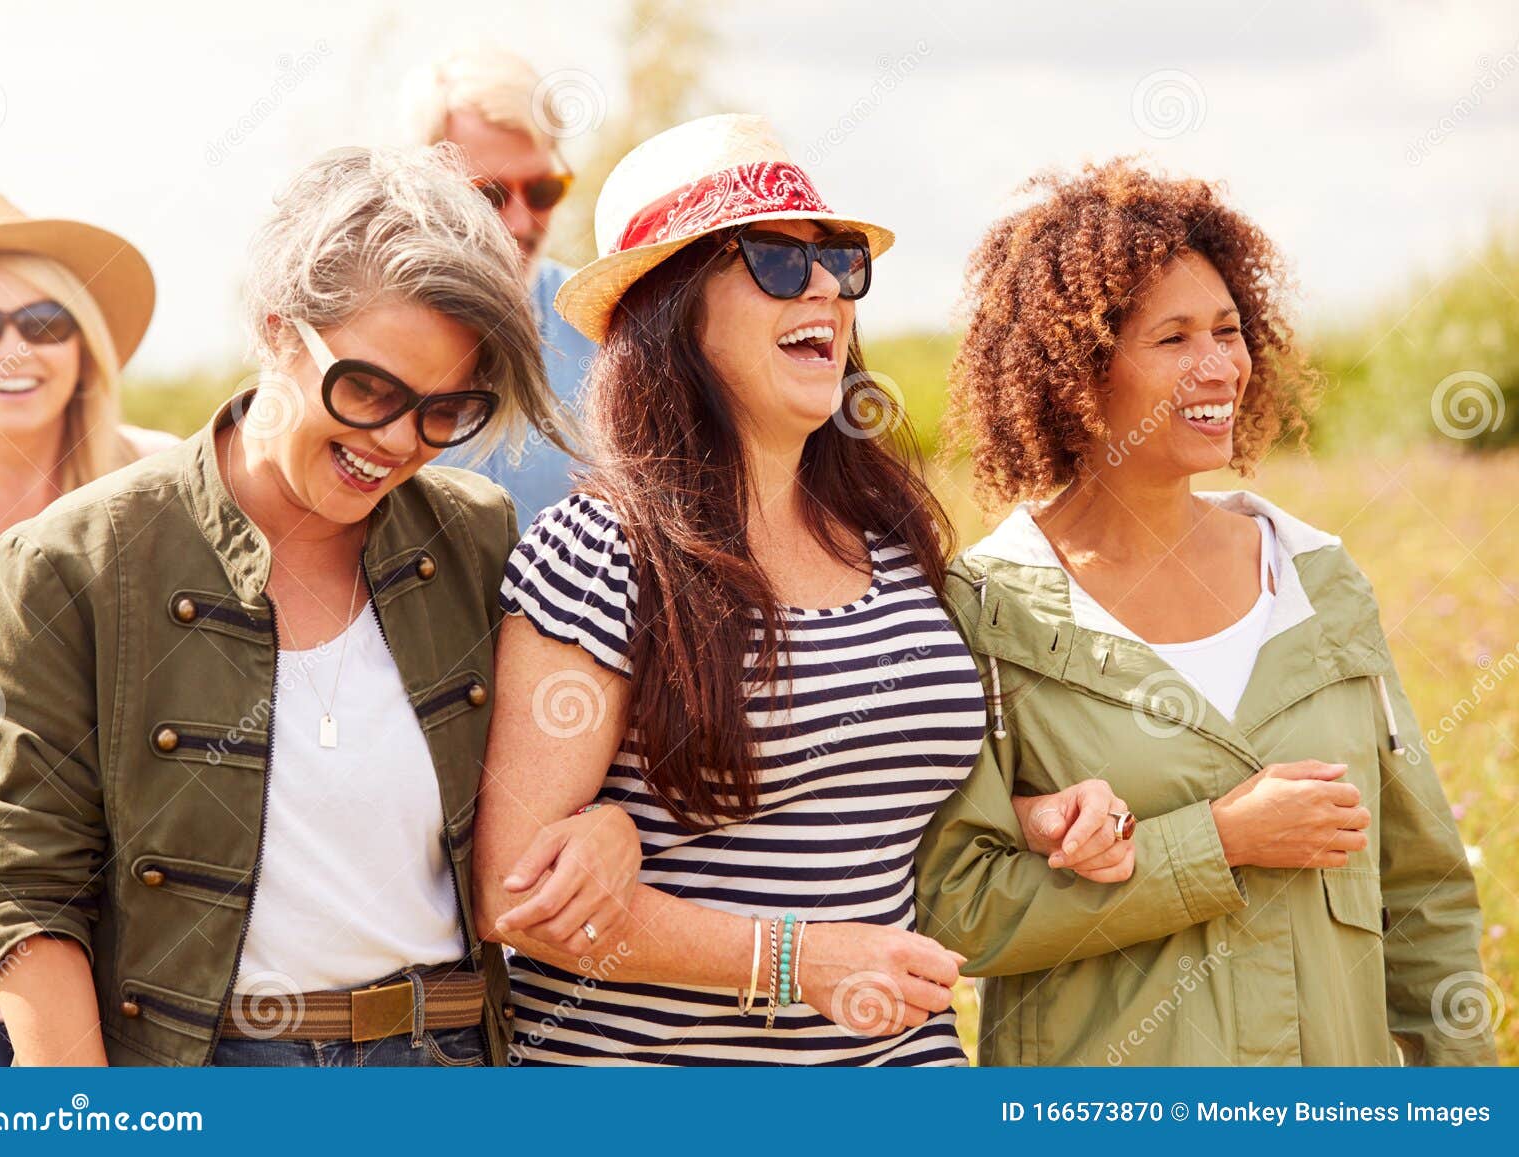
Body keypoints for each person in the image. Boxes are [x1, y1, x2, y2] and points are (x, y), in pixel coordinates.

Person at [0, 144, 635, 1067]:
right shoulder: (70, 564)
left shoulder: (476, 537)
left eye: (447, 412)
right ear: (279, 329)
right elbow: (31, 894)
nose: (398, 441)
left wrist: (608, 828)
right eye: (368, 389)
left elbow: (551, 784)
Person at [474, 115, 1129, 1066]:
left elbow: (867, 806)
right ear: (670, 307)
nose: (825, 283)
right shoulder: (599, 552)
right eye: (778, 260)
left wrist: (1034, 820)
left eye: (840, 260)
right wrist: (798, 963)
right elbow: (516, 898)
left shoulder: (891, 540)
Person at [917, 159, 1496, 1066]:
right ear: (1077, 371)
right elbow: (959, 906)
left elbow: (1423, 892)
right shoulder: (988, 612)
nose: (1219, 364)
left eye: (1228, 330)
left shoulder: (1318, 579)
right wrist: (1216, 842)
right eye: (1174, 338)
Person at [0, 193, 175, 1066]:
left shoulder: (167, 490)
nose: (11, 349)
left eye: (43, 319)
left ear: (84, 343)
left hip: (135, 980)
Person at [405, 46, 596, 525]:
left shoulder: (608, 328)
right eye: (489, 194)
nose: (519, 220)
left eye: (543, 191)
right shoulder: (356, 327)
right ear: (423, 188)